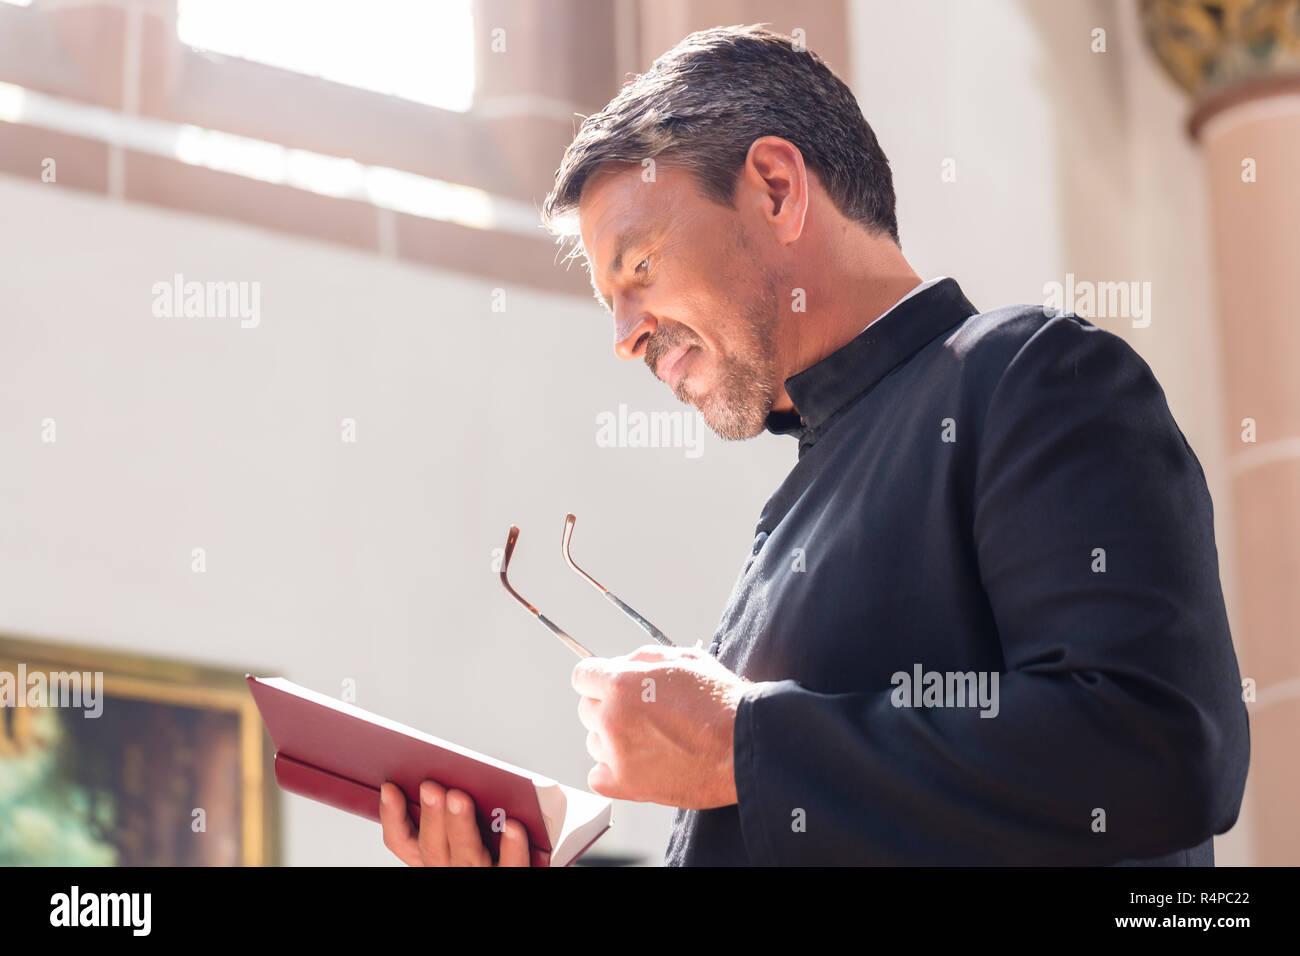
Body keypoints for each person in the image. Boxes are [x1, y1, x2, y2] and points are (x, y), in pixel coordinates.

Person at [380, 23, 1249, 867]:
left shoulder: (1028, 375)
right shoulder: (789, 515)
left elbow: (1161, 748)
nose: (625, 334)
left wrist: (740, 743)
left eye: (638, 268)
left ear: (776, 188)